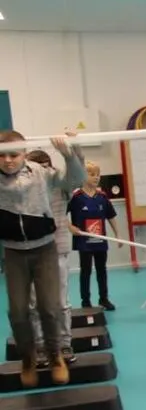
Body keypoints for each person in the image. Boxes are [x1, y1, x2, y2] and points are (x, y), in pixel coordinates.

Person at [0, 130, 85, 387]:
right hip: (13, 251)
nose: (8, 160)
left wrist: (68, 154)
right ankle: (28, 358)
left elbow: (75, 180)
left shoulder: (40, 173)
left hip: (44, 249)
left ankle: (56, 354)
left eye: (14, 154)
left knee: (50, 307)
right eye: (2, 156)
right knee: (18, 312)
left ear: (24, 153)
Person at [24, 150, 75, 367]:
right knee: (35, 304)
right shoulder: (22, 189)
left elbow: (76, 175)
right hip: (31, 249)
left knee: (61, 302)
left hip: (57, 249)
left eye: (46, 165)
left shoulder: (60, 186)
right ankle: (41, 346)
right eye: (38, 166)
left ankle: (64, 343)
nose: (43, 170)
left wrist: (72, 150)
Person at [67, 161, 121, 310]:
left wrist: (117, 234)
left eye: (98, 174)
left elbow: (111, 217)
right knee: (86, 271)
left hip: (100, 240)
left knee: (102, 269)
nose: (96, 177)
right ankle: (86, 301)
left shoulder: (102, 197)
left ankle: (103, 299)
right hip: (84, 241)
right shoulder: (76, 197)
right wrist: (70, 227)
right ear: (83, 176)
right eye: (92, 174)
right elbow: (60, 214)